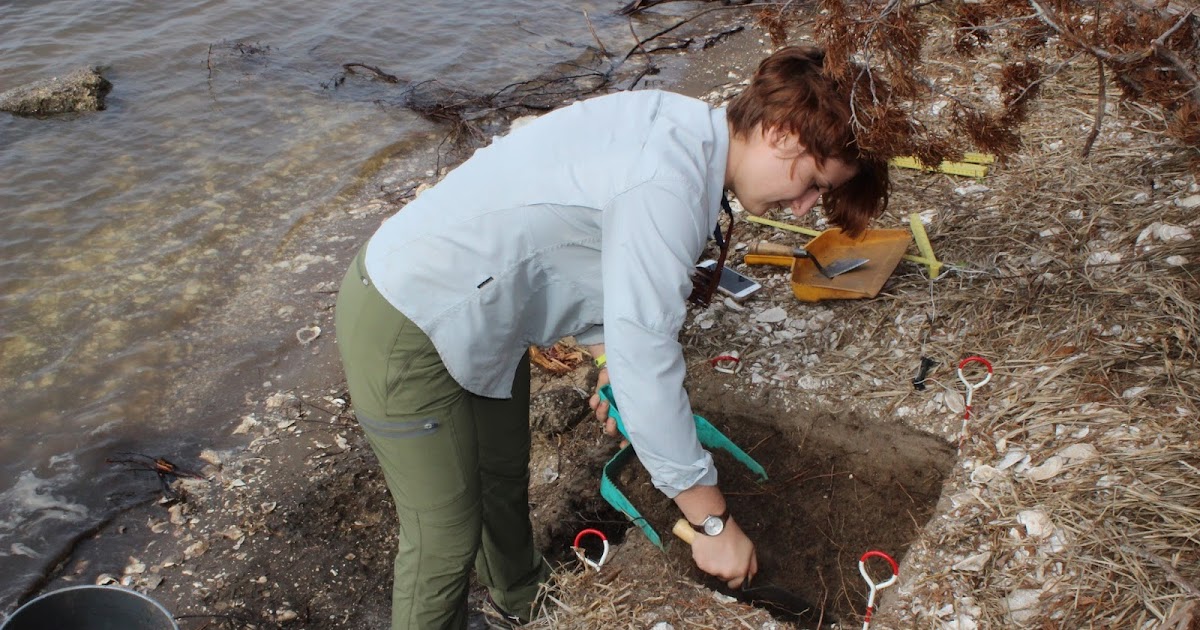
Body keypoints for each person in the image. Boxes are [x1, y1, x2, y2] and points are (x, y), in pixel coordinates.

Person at [333, 45, 889, 629]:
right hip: (407, 320)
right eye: (811, 185)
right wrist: (711, 523)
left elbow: (585, 252)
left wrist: (603, 355)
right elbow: (646, 357)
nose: (802, 208)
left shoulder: (687, 133)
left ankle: (519, 597)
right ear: (780, 133)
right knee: (443, 534)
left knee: (501, 473)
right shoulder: (669, 183)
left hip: (486, 312)